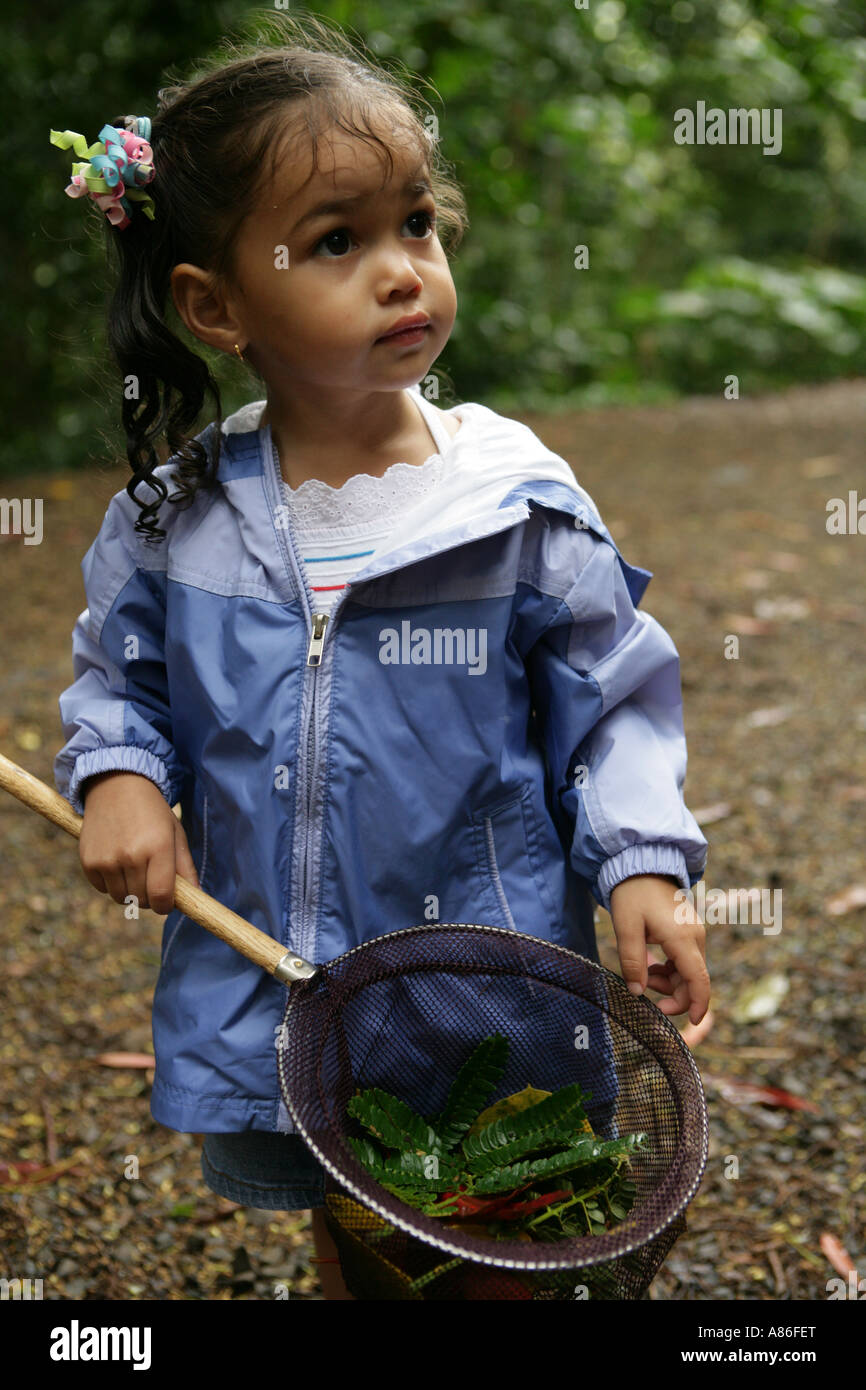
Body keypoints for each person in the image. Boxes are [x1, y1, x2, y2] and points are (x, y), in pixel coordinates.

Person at [50, 12, 709, 1301]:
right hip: (283, 987)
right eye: (339, 242)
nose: (404, 269)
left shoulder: (514, 500)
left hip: (490, 977)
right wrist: (120, 776)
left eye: (416, 223)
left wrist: (640, 863)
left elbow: (614, 703)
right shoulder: (178, 520)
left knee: (506, 1228)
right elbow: (116, 681)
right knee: (354, 1227)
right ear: (216, 305)